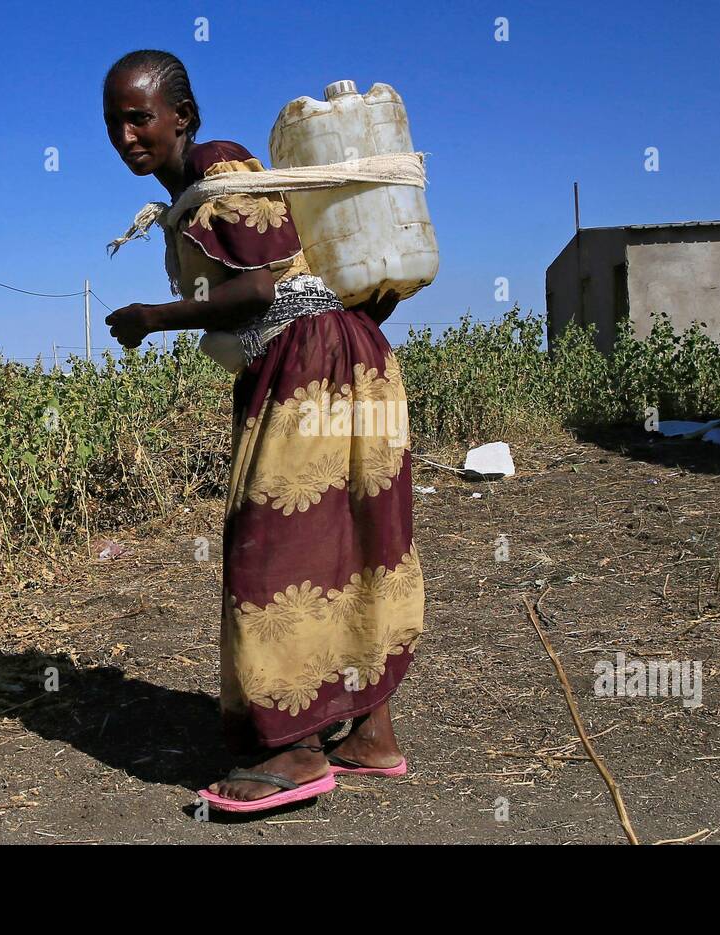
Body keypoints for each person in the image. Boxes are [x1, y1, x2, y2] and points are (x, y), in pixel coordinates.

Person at [100, 51, 425, 812]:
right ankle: (372, 734)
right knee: (348, 539)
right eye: (113, 120)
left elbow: (259, 286)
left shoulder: (219, 167)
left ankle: (295, 751)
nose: (125, 134)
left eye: (139, 116)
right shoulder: (193, 191)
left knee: (276, 547)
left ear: (181, 114)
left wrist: (156, 317)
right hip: (345, 358)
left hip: (311, 362)